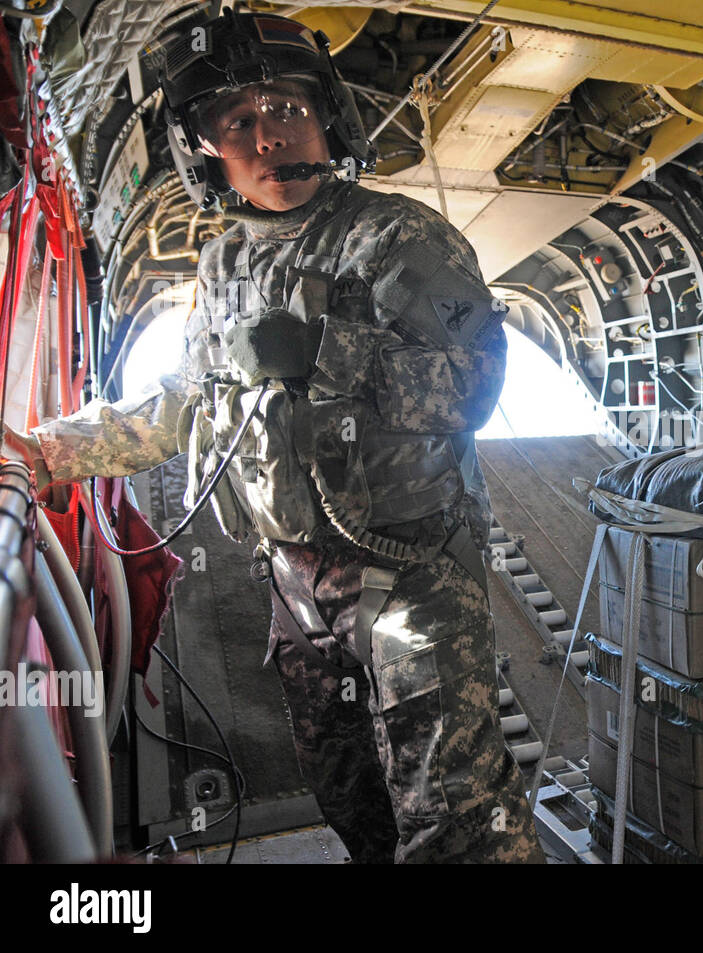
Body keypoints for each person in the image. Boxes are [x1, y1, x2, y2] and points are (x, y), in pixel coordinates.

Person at [4, 10, 544, 864]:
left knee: (455, 813)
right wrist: (43, 453)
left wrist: (330, 363)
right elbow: (184, 403)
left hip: (412, 569)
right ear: (209, 150)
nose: (270, 138)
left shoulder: (399, 236)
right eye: (240, 123)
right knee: (347, 787)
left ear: (325, 119)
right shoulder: (221, 266)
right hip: (294, 583)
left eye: (287, 111)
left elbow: (474, 386)